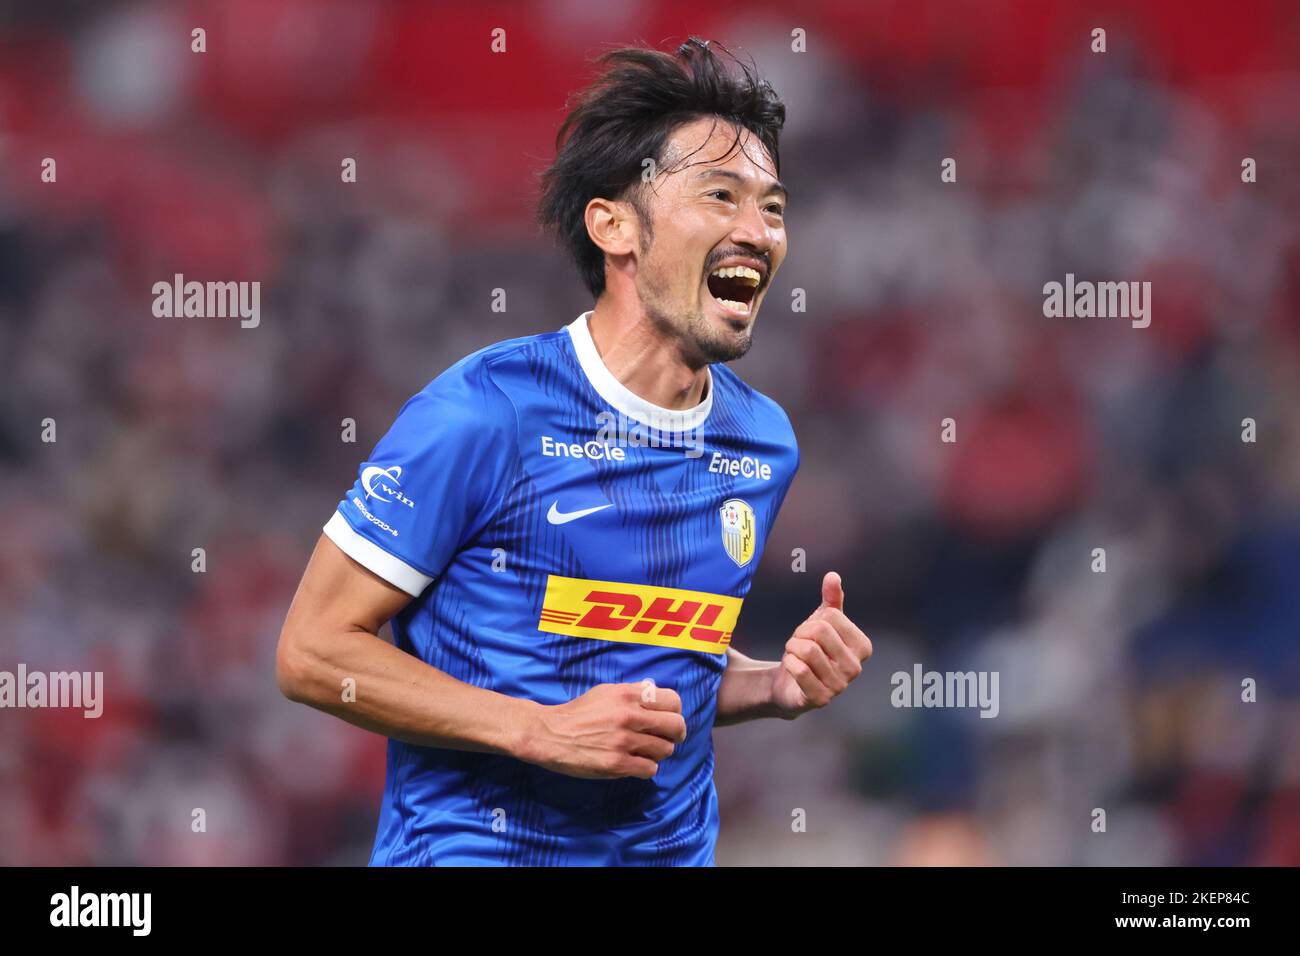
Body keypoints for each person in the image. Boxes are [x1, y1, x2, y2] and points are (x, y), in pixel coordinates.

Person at [276, 37, 872, 866]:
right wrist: (536, 730)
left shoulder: (761, 441)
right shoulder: (486, 414)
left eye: (772, 207)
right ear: (614, 225)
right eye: (721, 195)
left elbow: (659, 657)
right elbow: (312, 651)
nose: (757, 231)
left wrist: (770, 686)